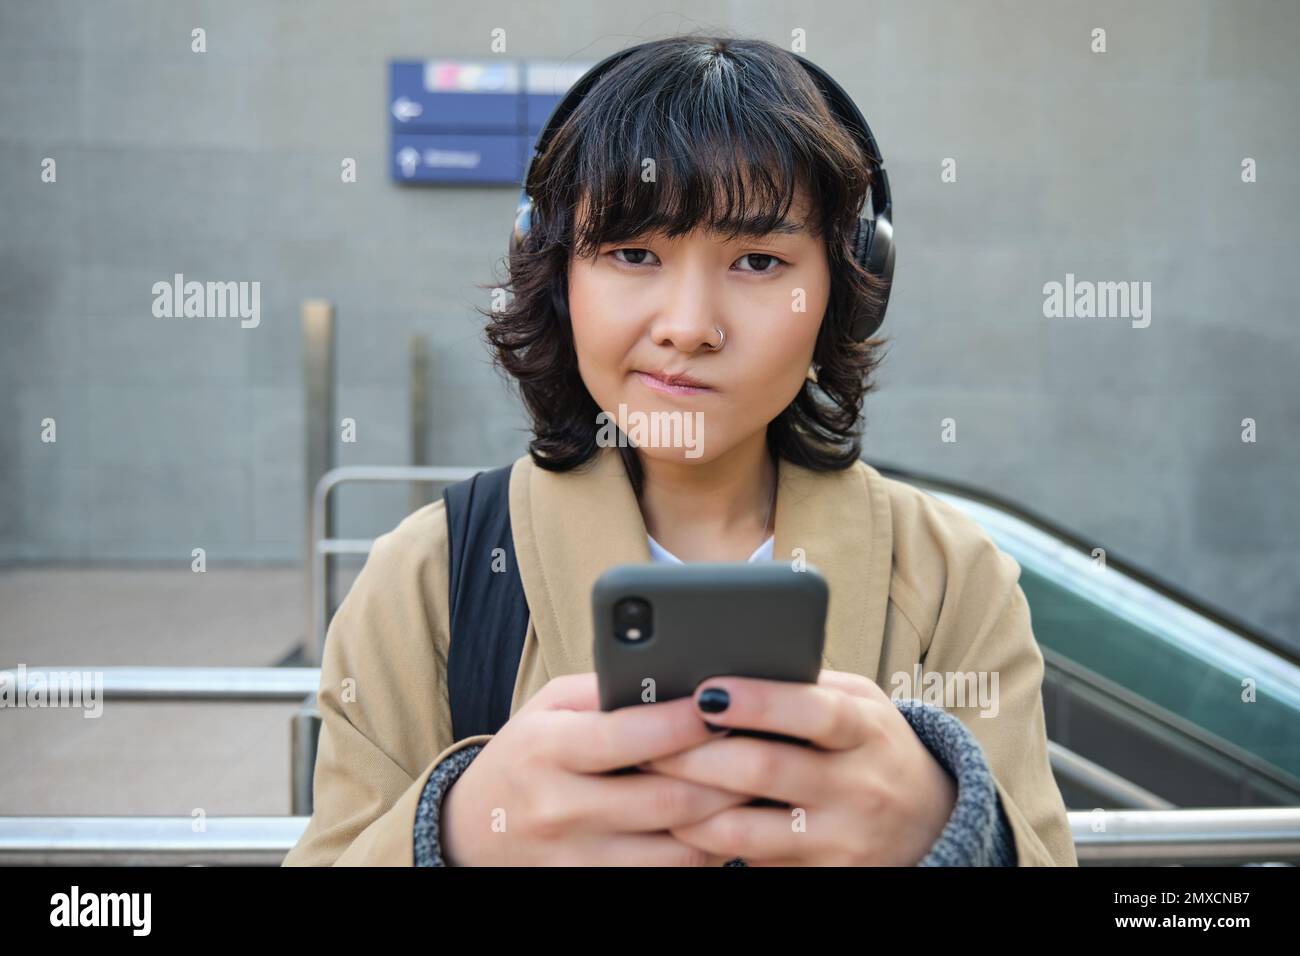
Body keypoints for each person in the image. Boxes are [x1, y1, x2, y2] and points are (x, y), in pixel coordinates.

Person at [282, 34, 1076, 867]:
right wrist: (457, 833)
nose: (689, 326)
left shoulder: (954, 579)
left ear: (843, 288)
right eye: (633, 254)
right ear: (554, 274)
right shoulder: (429, 578)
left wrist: (948, 832)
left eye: (760, 261)